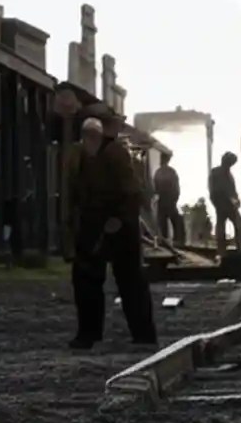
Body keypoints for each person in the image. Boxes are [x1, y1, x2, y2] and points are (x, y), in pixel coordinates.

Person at [69, 116, 157, 349]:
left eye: (92, 136)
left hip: (120, 224)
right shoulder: (80, 157)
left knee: (130, 280)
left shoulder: (115, 154)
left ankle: (144, 335)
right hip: (92, 223)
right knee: (85, 278)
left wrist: (119, 218)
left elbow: (131, 191)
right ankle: (88, 333)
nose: (88, 140)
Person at [209, 152, 241, 266]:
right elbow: (216, 190)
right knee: (230, 224)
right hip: (223, 204)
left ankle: (229, 249)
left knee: (227, 224)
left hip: (227, 204)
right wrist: (229, 200)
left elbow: (232, 190)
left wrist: (237, 199)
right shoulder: (218, 173)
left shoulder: (227, 174)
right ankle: (227, 250)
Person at [153, 152, 184, 247]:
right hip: (169, 199)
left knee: (163, 222)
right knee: (175, 220)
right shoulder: (170, 171)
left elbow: (156, 187)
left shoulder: (158, 172)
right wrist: (175, 197)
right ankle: (177, 241)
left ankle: (165, 241)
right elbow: (176, 186)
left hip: (164, 199)